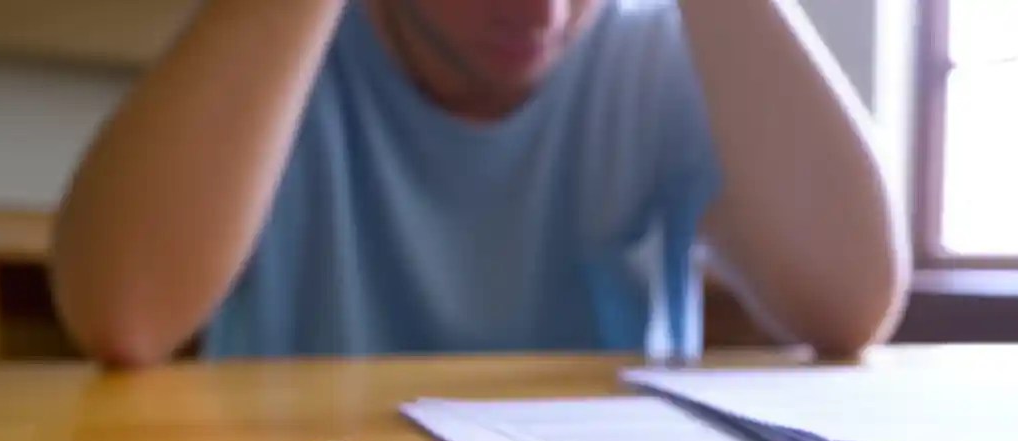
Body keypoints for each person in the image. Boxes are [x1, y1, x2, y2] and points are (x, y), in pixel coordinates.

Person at [50, 0, 908, 367]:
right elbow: (121, 312)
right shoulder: (289, 56)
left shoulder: (652, 57)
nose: (544, 10)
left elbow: (851, 303)